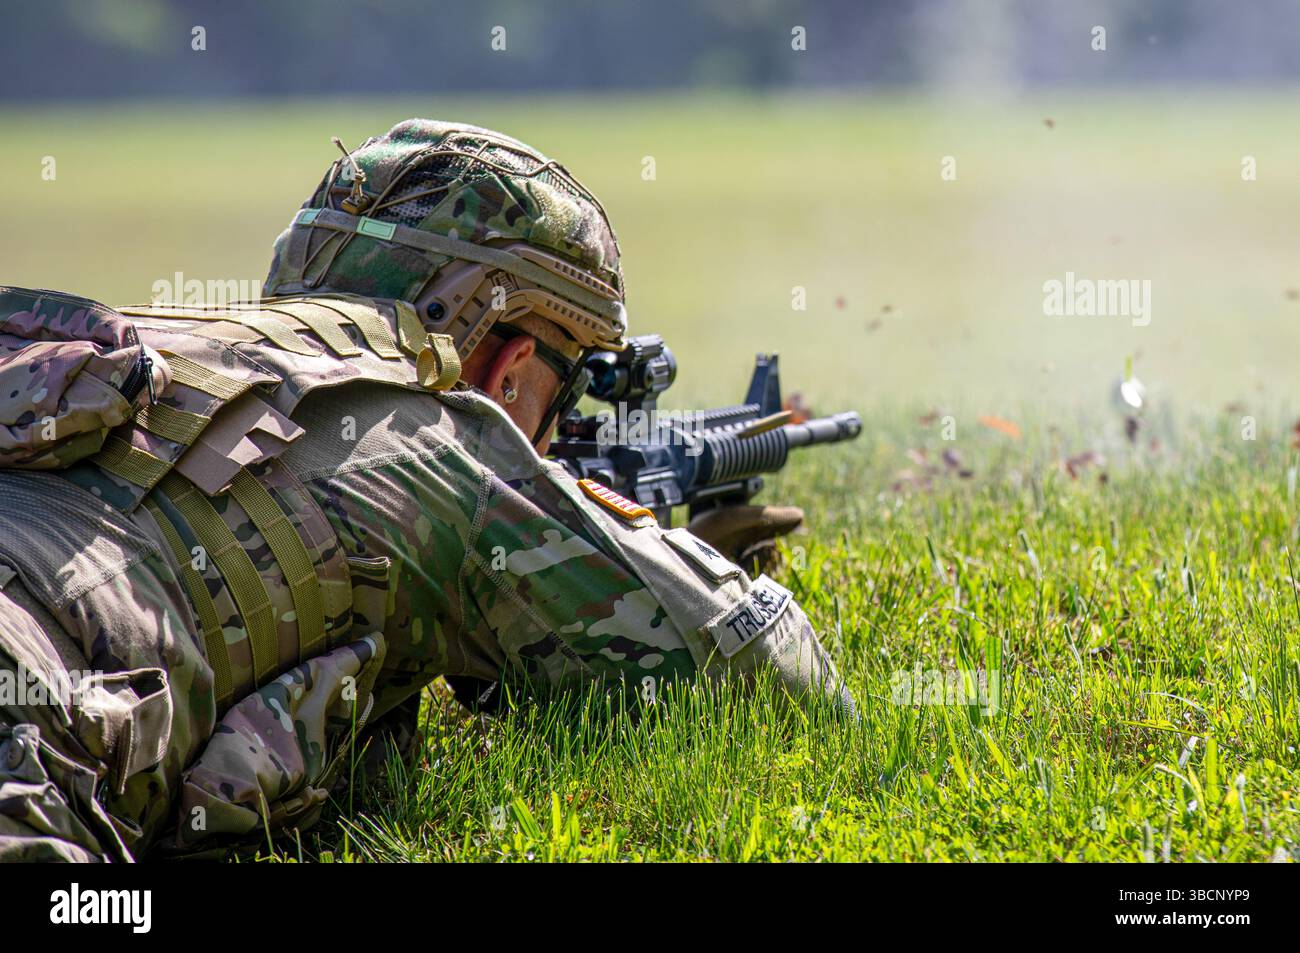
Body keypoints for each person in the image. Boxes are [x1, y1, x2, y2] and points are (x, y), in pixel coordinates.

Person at [0, 119, 851, 862]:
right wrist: (686, 564)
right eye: (571, 386)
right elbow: (778, 688)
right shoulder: (427, 443)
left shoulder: (149, 343)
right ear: (515, 369)